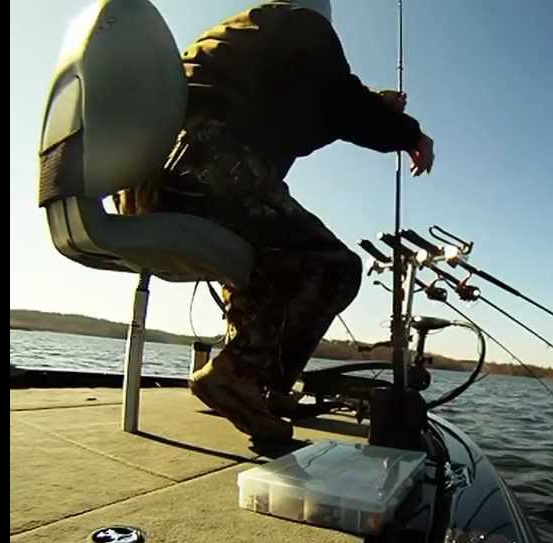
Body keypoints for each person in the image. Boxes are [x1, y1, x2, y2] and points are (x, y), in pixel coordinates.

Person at [120, 0, 435, 443]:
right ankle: (238, 376)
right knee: (336, 267)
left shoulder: (243, 36)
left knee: (266, 264)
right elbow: (342, 102)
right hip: (206, 169)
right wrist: (409, 133)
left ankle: (262, 387)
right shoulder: (301, 24)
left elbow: (316, 108)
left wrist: (376, 105)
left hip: (147, 183)